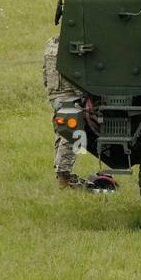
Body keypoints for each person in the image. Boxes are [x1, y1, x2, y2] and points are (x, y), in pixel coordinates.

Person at [43, 36, 85, 188]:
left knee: (61, 133)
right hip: (69, 95)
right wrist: (84, 96)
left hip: (55, 95)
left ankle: (61, 173)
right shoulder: (72, 45)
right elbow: (74, 74)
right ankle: (64, 175)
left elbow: (45, 72)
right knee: (73, 133)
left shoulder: (51, 43)